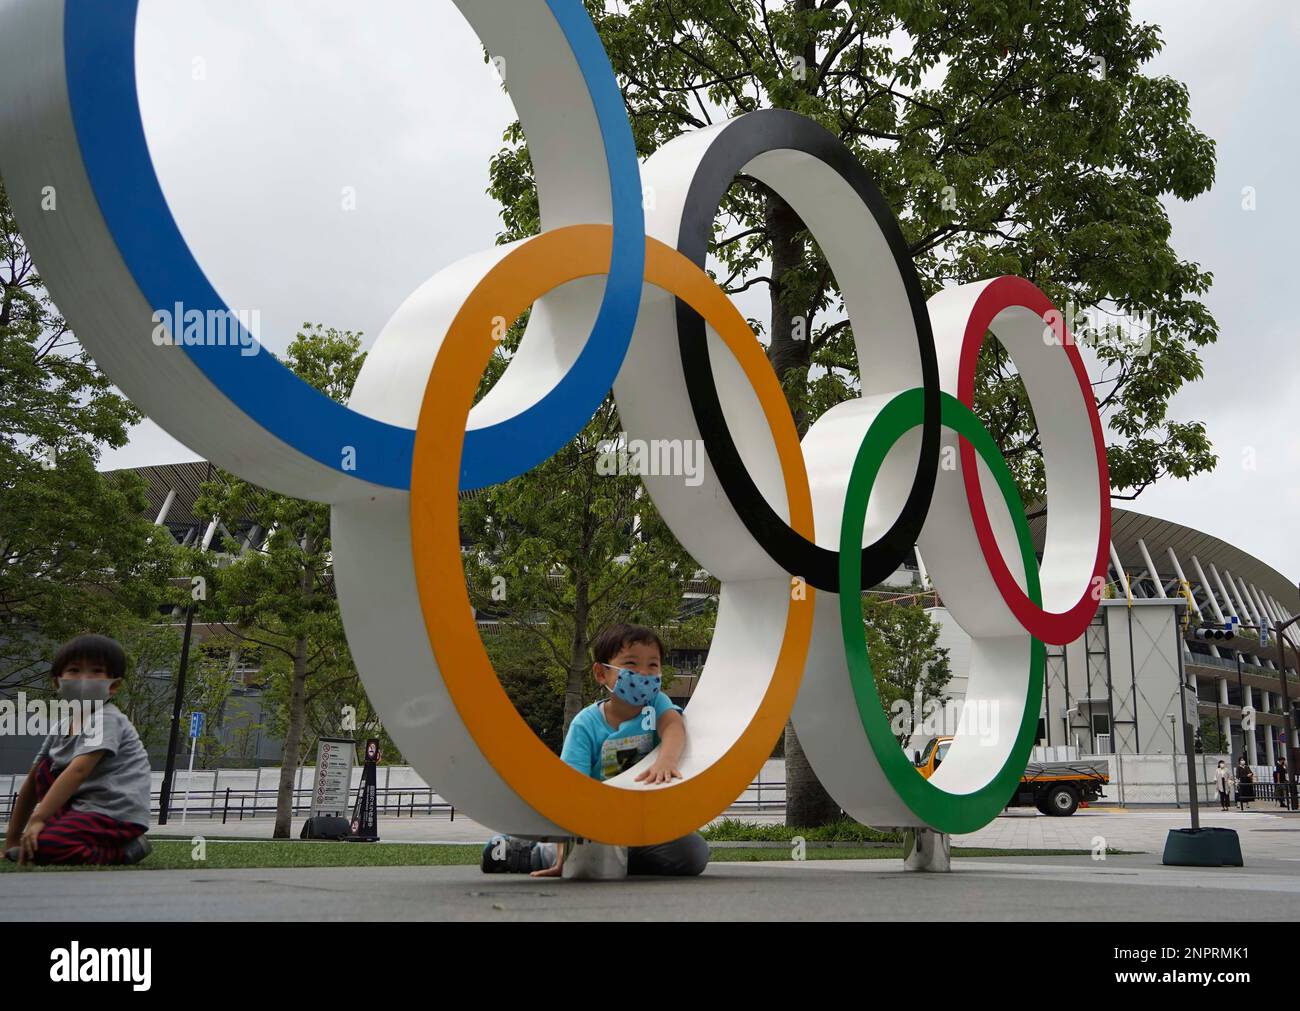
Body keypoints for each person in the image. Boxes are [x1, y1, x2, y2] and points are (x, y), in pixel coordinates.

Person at [482, 623, 709, 877]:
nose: (644, 674)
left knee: (693, 853)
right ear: (602, 673)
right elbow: (569, 793)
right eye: (631, 664)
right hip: (591, 828)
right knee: (582, 862)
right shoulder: (585, 725)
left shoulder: (657, 704)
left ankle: (622, 858)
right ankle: (530, 852)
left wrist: (666, 760)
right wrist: (563, 858)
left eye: (653, 665)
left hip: (642, 824)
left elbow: (673, 726)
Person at [4, 635, 152, 866]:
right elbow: (32, 783)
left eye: (96, 671)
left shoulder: (107, 719)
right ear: (57, 682)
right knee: (43, 768)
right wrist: (12, 840)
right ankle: (50, 835)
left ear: (113, 685)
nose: (84, 679)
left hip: (114, 813)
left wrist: (39, 817)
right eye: (73, 670)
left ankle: (126, 850)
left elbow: (79, 771)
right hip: (78, 809)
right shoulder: (61, 727)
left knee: (48, 846)